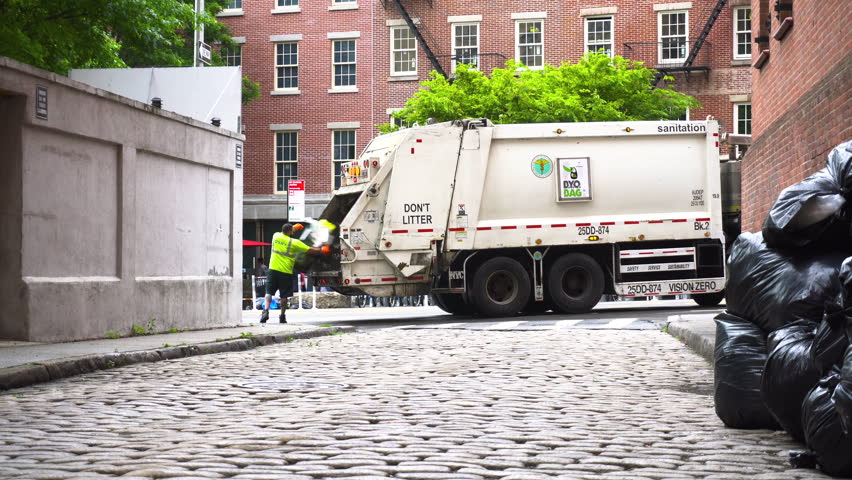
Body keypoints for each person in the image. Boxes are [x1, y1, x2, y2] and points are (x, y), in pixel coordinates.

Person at [260, 223, 330, 324]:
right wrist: (322, 250)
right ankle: (282, 316)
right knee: (284, 296)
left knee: (268, 292)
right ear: (290, 232)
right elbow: (310, 250)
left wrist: (293, 228)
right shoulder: (294, 242)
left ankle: (265, 311)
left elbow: (284, 232)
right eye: (292, 231)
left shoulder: (275, 236)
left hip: (273, 270)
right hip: (285, 272)